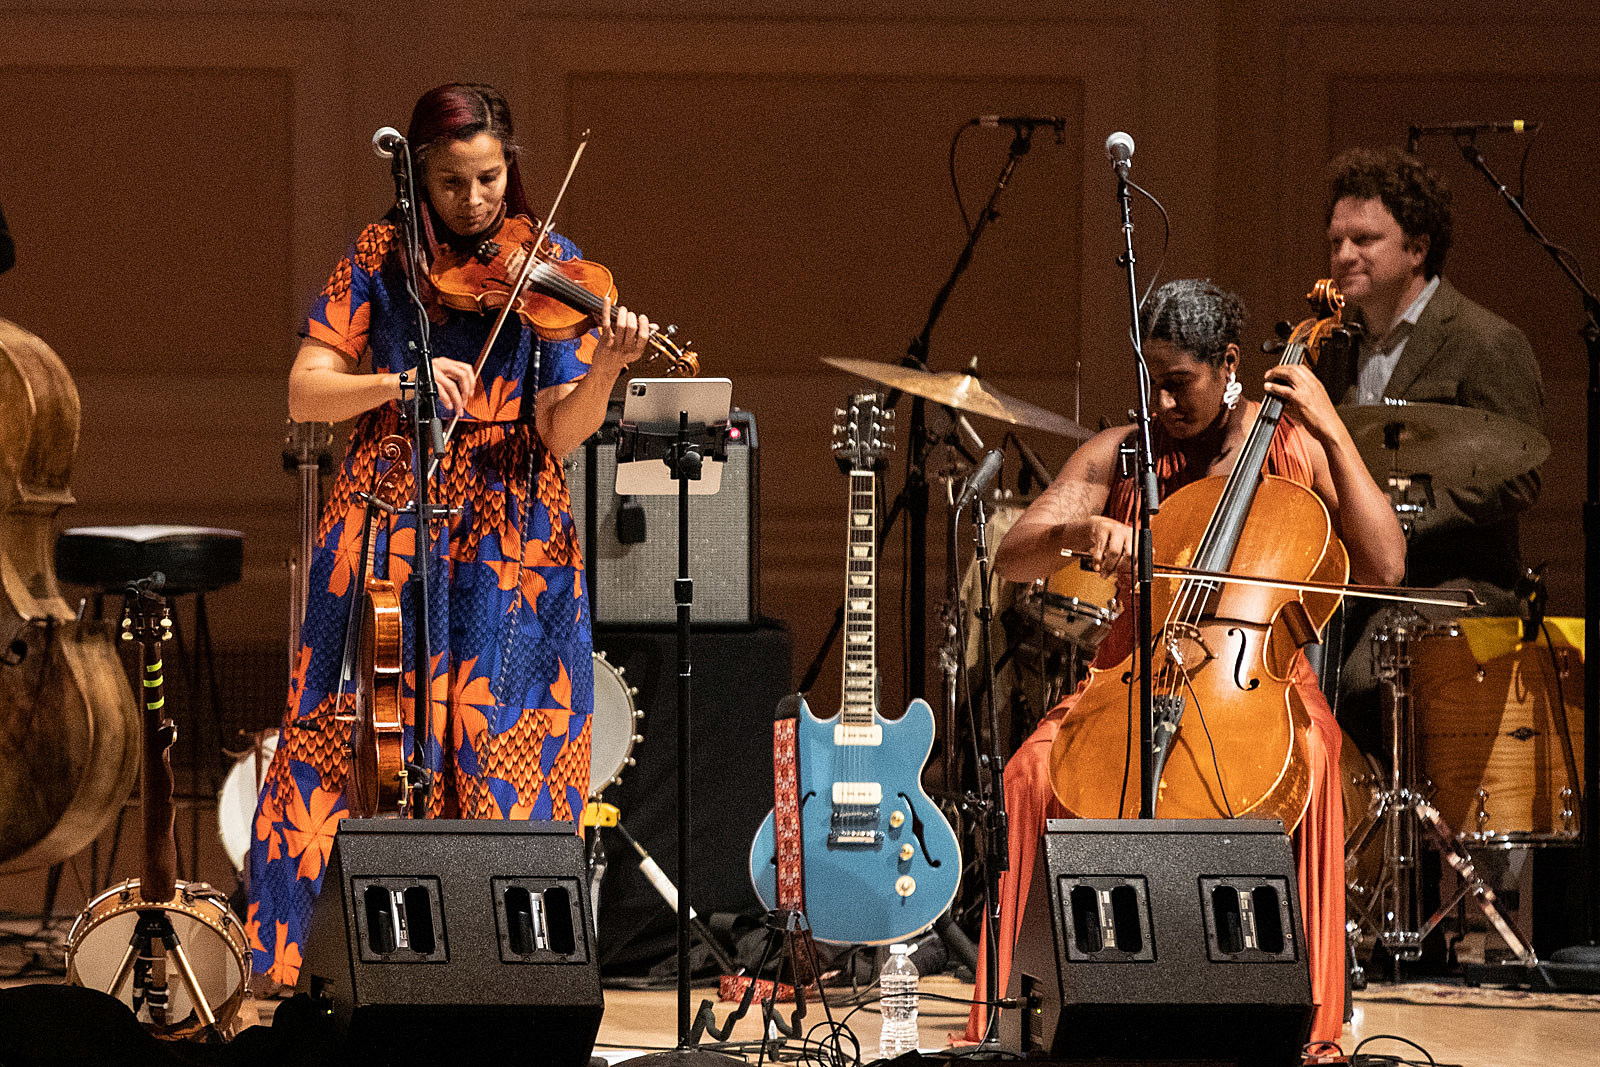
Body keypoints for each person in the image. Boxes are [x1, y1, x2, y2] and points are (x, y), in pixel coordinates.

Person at [247, 83, 651, 986]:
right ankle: (303, 969)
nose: (473, 202)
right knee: (353, 727)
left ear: (513, 168)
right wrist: (399, 385)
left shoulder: (554, 265)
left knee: (504, 731)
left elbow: (559, 427)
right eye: (450, 183)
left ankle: (499, 976)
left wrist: (611, 369)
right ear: (416, 178)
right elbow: (304, 389)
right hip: (388, 506)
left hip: (514, 527)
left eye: (490, 178)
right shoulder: (379, 256)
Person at [962, 279, 1406, 1048]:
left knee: (1314, 752)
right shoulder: (1125, 450)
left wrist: (1332, 428)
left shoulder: (1290, 445)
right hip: (1137, 668)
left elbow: (1385, 563)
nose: (1163, 402)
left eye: (1180, 384)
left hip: (1252, 675)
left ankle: (1294, 1018)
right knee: (1031, 773)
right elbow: (1013, 553)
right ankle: (1021, 1013)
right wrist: (1085, 530)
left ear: (1230, 363)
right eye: (1152, 381)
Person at [1315, 147, 1544, 754]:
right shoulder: (1334, 350)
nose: (1342, 256)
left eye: (1364, 239)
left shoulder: (1486, 342)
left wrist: (1402, 517)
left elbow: (1517, 478)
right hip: (1359, 583)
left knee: (1364, 677)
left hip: (1452, 583)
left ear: (1416, 248)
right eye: (1336, 240)